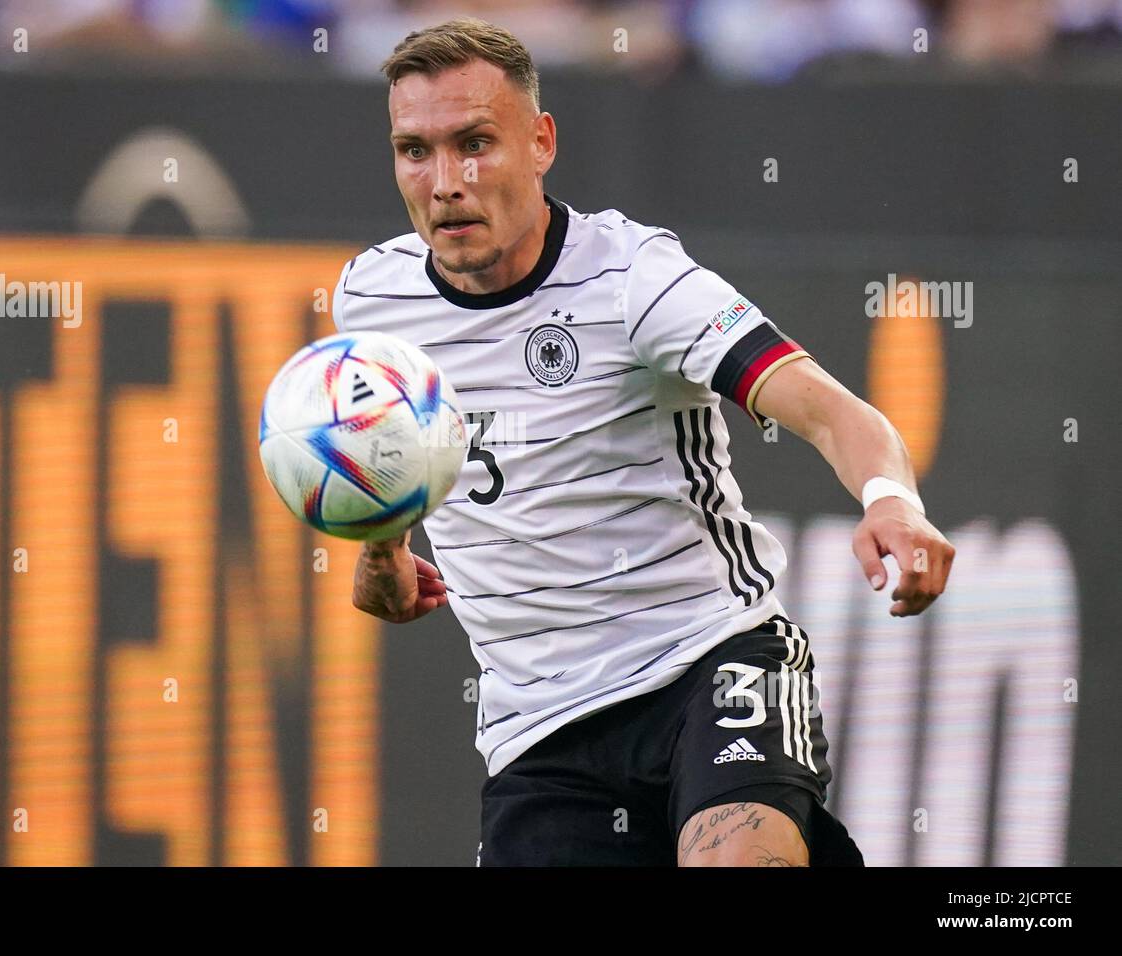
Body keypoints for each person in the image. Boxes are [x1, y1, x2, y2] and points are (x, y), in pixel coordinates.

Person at [334, 16, 955, 866]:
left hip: (708, 662)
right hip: (538, 731)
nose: (446, 181)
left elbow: (829, 408)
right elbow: (384, 457)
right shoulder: (371, 302)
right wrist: (380, 554)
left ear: (541, 142)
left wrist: (893, 502)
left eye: (476, 143)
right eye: (416, 150)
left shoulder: (637, 280)